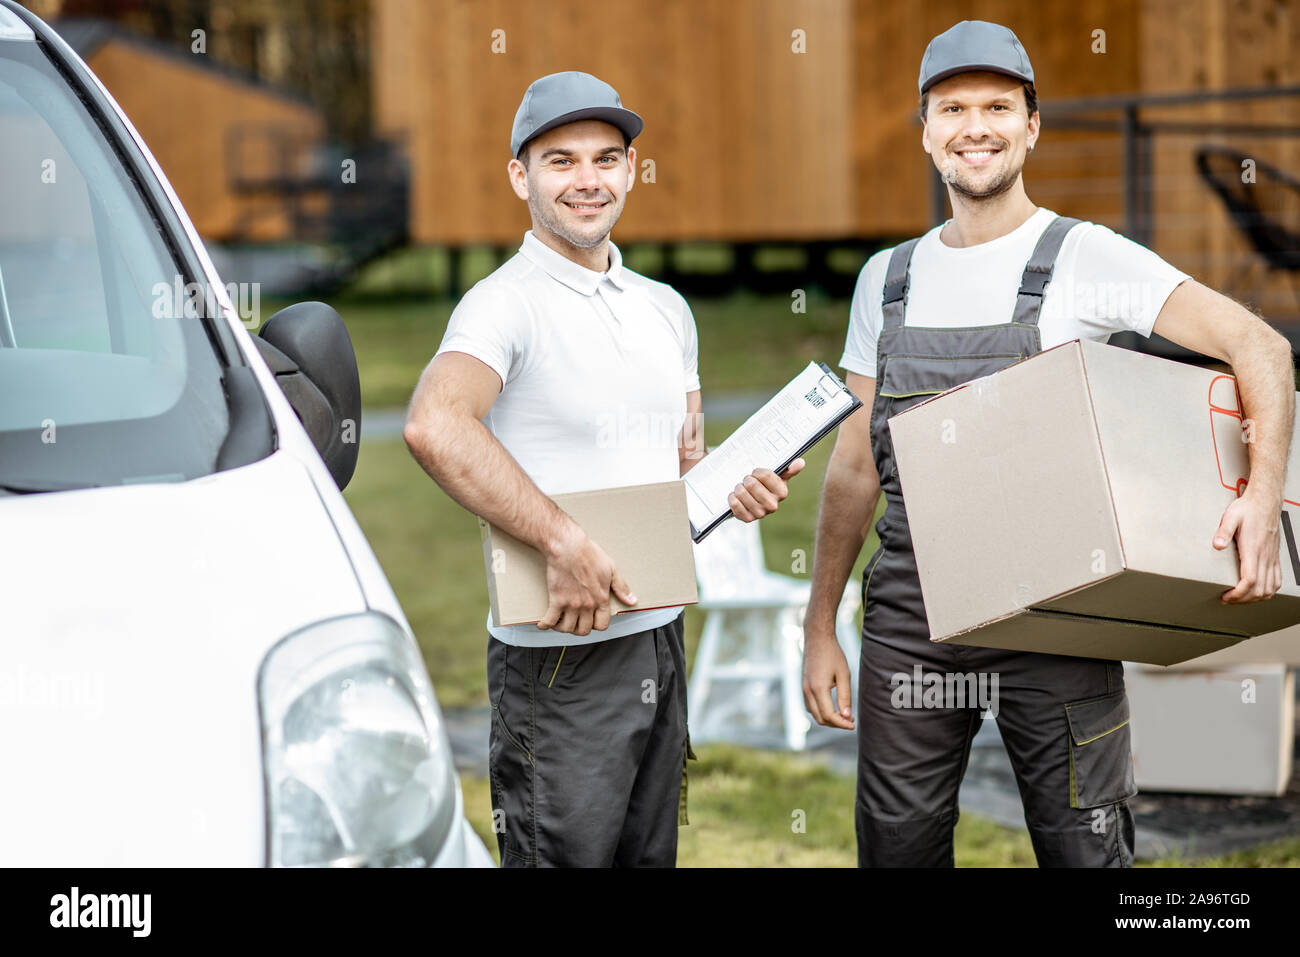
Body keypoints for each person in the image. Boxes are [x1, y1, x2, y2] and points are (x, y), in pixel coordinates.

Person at [801, 20, 1295, 867]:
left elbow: (1262, 347)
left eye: (998, 105)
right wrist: (819, 625)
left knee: (1085, 852)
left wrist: (1257, 499)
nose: (975, 126)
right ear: (925, 131)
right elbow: (852, 468)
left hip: (1063, 615)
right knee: (896, 848)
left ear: (1033, 125)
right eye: (952, 108)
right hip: (914, 619)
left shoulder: (1085, 257)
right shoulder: (887, 280)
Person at [403, 71, 802, 867]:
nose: (588, 179)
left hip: (659, 637)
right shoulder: (502, 304)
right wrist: (561, 542)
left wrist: (740, 482)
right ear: (521, 175)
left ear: (629, 170)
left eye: (606, 158)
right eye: (561, 161)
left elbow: (685, 465)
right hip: (559, 654)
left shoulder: (665, 308)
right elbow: (434, 424)